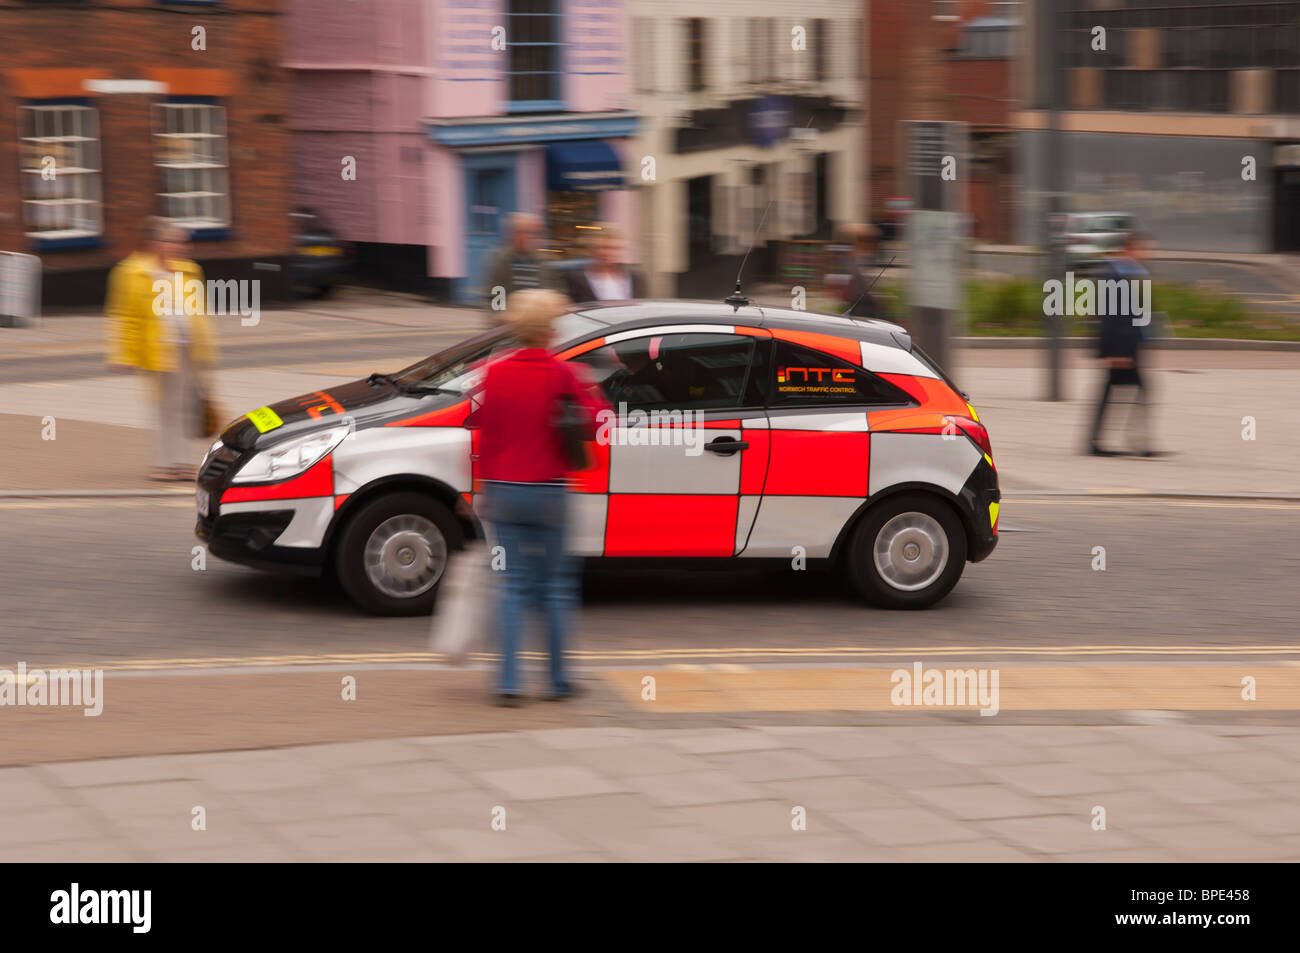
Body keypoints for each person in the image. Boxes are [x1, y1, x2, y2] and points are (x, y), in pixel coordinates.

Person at [465, 289, 608, 706]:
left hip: (505, 492)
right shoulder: (563, 373)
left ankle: (508, 683)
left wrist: (482, 488)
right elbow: (602, 421)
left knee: (511, 587)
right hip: (550, 492)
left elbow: (484, 437)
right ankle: (558, 681)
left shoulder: (493, 373)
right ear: (549, 331)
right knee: (557, 587)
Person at [105, 218, 217, 481]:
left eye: (181, 241)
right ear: (155, 243)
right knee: (164, 408)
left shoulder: (190, 270)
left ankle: (185, 463)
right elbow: (124, 315)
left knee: (188, 408)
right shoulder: (132, 272)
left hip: (190, 348)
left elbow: (200, 311)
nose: (179, 246)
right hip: (157, 349)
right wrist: (124, 354)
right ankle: (164, 464)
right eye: (172, 241)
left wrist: (206, 347)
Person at [1088, 231, 1162, 457]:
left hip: (1127, 348)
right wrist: (1113, 352)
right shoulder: (1114, 277)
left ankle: (1098, 441)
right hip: (1121, 350)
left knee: (1112, 392)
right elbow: (1108, 319)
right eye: (1143, 249)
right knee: (1139, 390)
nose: (1147, 254)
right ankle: (1135, 442)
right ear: (1129, 249)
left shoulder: (1126, 275)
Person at [483, 212, 559, 324]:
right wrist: (501, 316)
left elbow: (556, 294)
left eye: (530, 233)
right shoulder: (501, 261)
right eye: (519, 232)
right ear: (511, 234)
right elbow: (496, 296)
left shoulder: (546, 262)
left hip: (540, 325)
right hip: (510, 326)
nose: (525, 237)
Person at [564, 224, 644, 302]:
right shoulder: (575, 278)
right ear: (592, 249)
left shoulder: (635, 276)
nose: (609, 253)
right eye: (604, 247)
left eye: (616, 248)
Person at [836, 223, 883, 319]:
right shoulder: (855, 258)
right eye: (869, 241)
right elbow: (864, 282)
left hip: (862, 304)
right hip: (861, 305)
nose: (873, 245)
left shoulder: (866, 257)